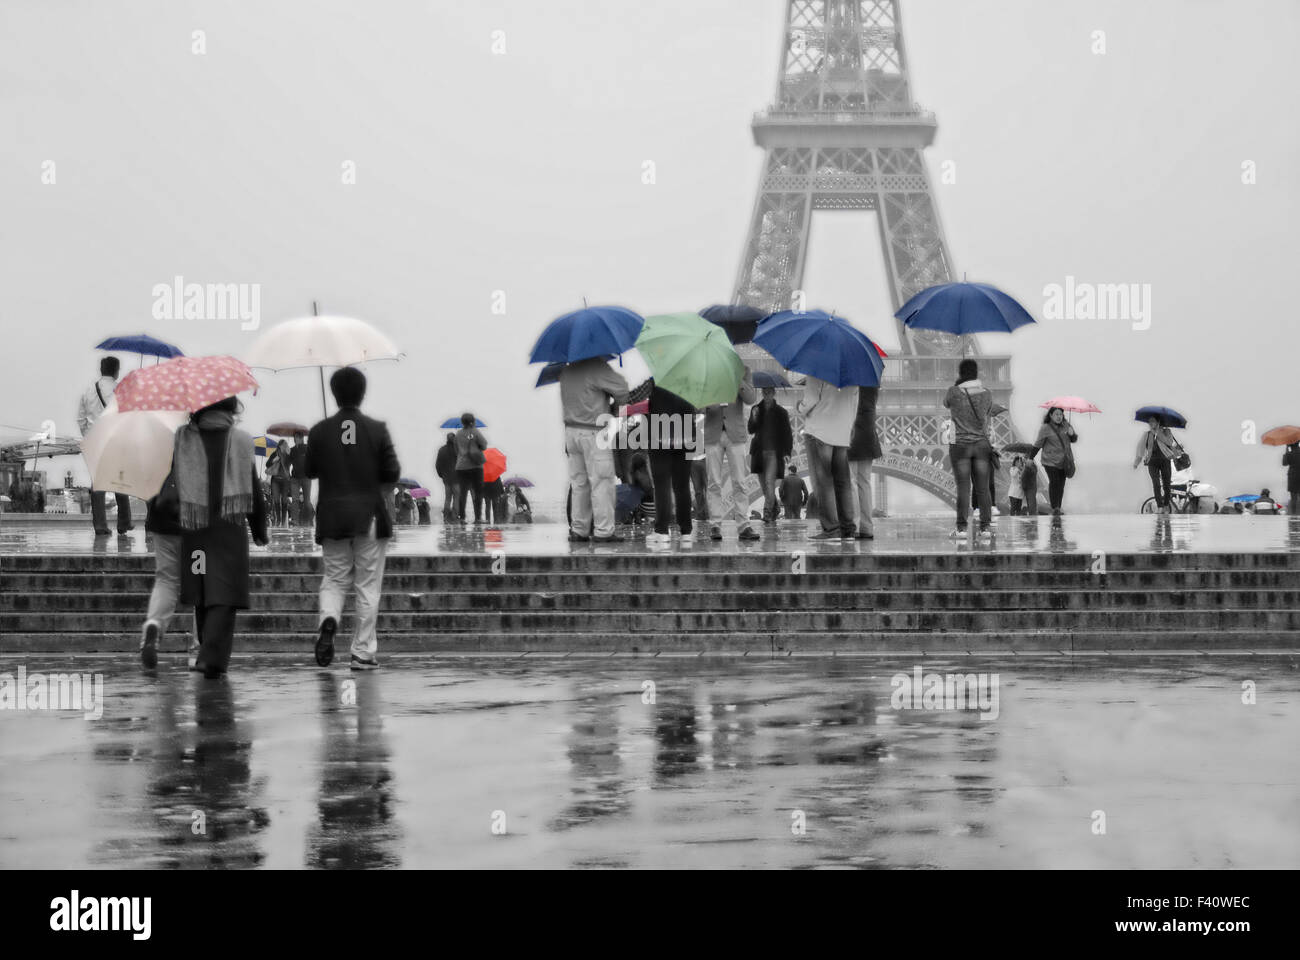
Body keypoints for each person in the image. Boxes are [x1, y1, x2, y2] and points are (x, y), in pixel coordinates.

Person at [307, 367, 401, 671]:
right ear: (362, 393)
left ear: (334, 394)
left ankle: (329, 619)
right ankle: (362, 652)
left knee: (334, 578)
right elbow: (392, 472)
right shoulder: (377, 429)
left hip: (332, 516)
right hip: (369, 515)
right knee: (367, 585)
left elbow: (308, 470)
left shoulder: (320, 430)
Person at [174, 396, 269, 679]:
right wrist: (260, 530)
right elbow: (253, 489)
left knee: (203, 593)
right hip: (229, 528)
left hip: (194, 527)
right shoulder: (239, 440)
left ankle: (208, 651)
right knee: (224, 597)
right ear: (231, 408)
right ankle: (210, 656)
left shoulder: (183, 438)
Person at [559, 357, 647, 543]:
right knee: (601, 482)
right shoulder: (596, 367)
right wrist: (614, 408)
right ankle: (604, 531)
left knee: (579, 484)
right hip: (594, 432)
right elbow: (622, 388)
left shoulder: (566, 371)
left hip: (571, 433)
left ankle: (579, 530)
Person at [943, 359, 1005, 540]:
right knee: (983, 489)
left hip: (960, 445)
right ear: (976, 372)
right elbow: (986, 412)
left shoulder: (953, 392)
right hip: (981, 445)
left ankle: (961, 529)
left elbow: (946, 403)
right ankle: (985, 528)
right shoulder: (987, 394)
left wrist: (958, 385)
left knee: (963, 488)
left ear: (961, 372)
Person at [139, 469, 192, 669]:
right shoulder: (200, 449)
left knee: (166, 580)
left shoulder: (160, 452)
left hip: (163, 523)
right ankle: (202, 644)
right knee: (201, 578)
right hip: (194, 527)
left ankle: (154, 624)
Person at [797, 375, 858, 542]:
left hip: (820, 431)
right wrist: (848, 426)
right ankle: (848, 529)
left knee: (824, 483)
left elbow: (810, 400)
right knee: (843, 482)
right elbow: (854, 404)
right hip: (841, 431)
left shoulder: (817, 369)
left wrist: (799, 407)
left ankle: (831, 529)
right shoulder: (852, 373)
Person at [77, 356, 134, 536]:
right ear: (116, 370)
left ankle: (100, 526)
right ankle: (124, 523)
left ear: (101, 369)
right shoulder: (120, 390)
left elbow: (80, 419)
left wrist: (89, 435)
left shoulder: (88, 391)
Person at [704, 369, 759, 541]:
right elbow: (695, 404)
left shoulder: (742, 370)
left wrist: (737, 379)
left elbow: (751, 398)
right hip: (713, 433)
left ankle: (743, 525)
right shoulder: (706, 370)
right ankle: (715, 525)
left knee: (740, 482)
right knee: (714, 482)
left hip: (736, 433)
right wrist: (710, 403)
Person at [646, 384, 697, 545]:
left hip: (659, 434)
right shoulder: (692, 376)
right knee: (682, 485)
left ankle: (662, 531)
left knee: (662, 485)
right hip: (686, 434)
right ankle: (686, 531)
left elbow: (636, 398)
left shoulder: (655, 375)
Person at [747, 386, 793, 526]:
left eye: (769, 391)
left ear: (774, 393)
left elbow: (787, 433)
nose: (766, 394)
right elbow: (750, 430)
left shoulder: (781, 412)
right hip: (759, 453)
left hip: (774, 453)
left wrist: (787, 452)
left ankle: (767, 513)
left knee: (769, 483)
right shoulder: (756, 409)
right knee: (764, 486)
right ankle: (775, 507)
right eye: (764, 391)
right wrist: (754, 418)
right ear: (762, 393)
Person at [847, 385, 882, 539]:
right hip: (868, 435)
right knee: (864, 483)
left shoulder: (850, 383)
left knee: (851, 482)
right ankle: (867, 527)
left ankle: (854, 525)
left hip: (852, 435)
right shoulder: (872, 382)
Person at [1033, 407, 1078, 517]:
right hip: (1050, 461)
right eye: (1056, 414)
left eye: (1061, 414)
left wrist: (1072, 434)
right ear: (1051, 416)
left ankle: (1058, 506)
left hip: (1064, 460)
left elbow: (1074, 440)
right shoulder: (1045, 428)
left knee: (1061, 485)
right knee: (1054, 482)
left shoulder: (1066, 426)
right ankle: (1055, 507)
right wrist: (1030, 458)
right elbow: (1038, 444)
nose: (1059, 416)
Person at [1134, 416, 1184, 514]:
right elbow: (1141, 449)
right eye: (1149, 422)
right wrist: (1136, 462)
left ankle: (1166, 505)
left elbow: (1169, 442)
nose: (1150, 424)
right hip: (1152, 462)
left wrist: (1158, 433)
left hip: (1165, 460)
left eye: (1153, 421)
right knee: (1156, 484)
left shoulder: (1167, 432)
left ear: (1158, 422)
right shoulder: (1147, 434)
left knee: (1166, 485)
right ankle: (1160, 506)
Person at [453, 414, 488, 523]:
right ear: (472, 421)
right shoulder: (475, 432)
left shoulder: (458, 434)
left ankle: (462, 518)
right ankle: (478, 518)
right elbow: (484, 445)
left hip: (461, 467)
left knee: (463, 492)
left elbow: (456, 450)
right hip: (476, 466)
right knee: (478, 492)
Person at [265, 439, 292, 526]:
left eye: (286, 444)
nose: (286, 445)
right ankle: (278, 520)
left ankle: (283, 520)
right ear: (280, 445)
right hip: (275, 480)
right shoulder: (275, 454)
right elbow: (267, 464)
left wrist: (289, 454)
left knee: (284, 500)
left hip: (285, 480)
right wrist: (274, 460)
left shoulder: (288, 455)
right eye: (284, 444)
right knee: (276, 500)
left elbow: (292, 463)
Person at [289, 431, 313, 525]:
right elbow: (287, 463)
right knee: (295, 500)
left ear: (302, 438)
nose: (296, 439)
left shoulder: (308, 448)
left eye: (298, 437)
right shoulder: (292, 450)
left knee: (307, 501)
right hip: (294, 478)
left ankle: (307, 519)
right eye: (295, 437)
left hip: (306, 477)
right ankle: (295, 520)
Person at [435, 433, 458, 522]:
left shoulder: (442, 450)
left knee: (447, 498)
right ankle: (455, 516)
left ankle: (446, 517)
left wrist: (441, 475)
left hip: (446, 478)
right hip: (457, 478)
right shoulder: (458, 450)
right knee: (456, 497)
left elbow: (437, 465)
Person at [1283, 444, 1300, 516]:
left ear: (1290, 446)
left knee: (1293, 498)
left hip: (1292, 476)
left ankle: (1293, 514)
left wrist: (1286, 451)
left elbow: (1284, 463)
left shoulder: (1289, 454)